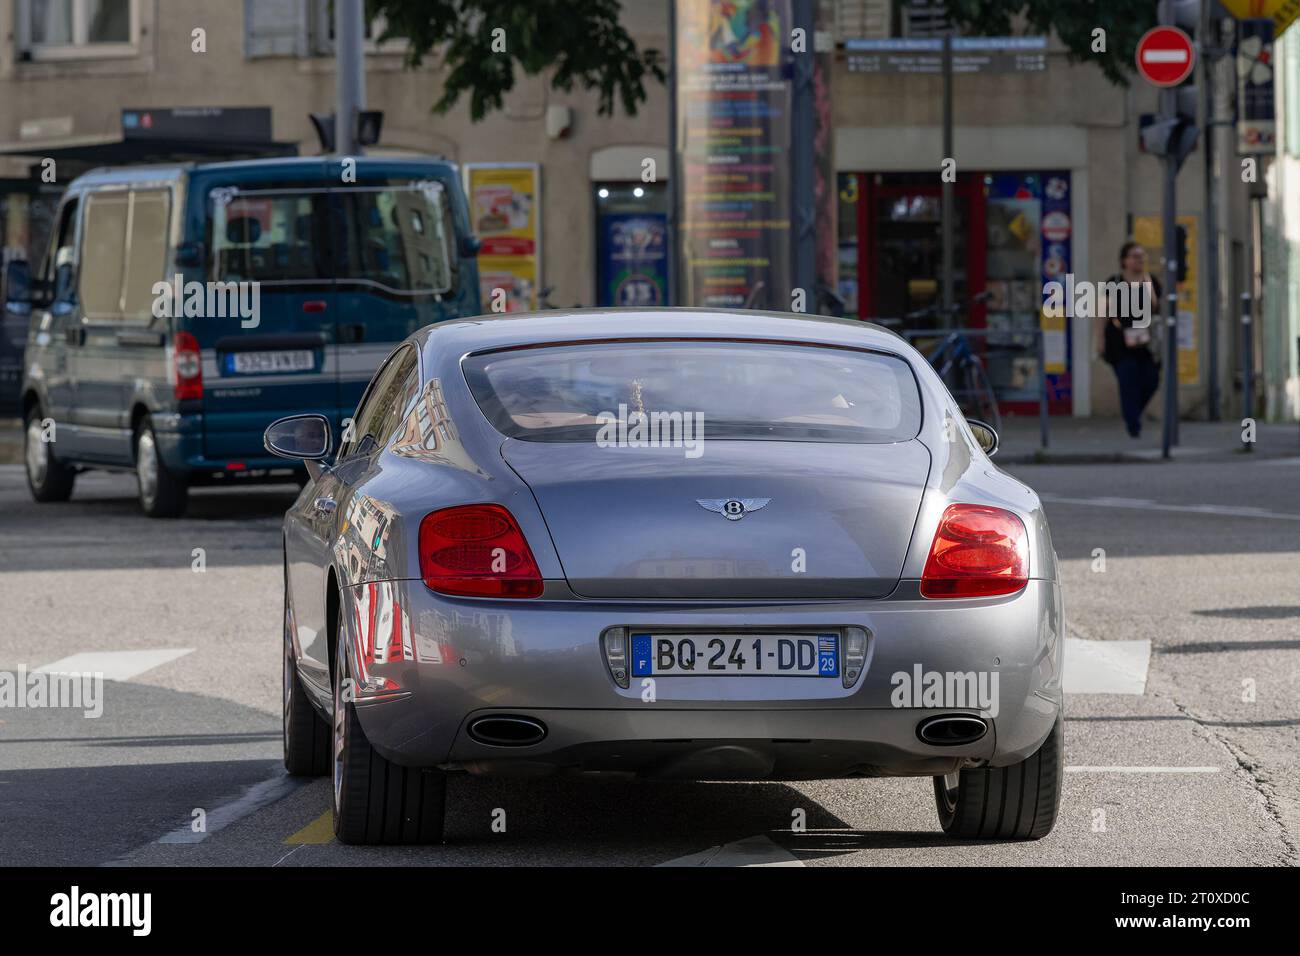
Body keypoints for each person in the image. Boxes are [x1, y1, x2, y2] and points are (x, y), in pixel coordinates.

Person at [1097, 241, 1163, 438]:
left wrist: (1146, 282)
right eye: (1135, 256)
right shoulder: (1114, 282)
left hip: (1145, 341)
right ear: (1124, 260)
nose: (1139, 260)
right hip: (1119, 339)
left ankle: (1133, 413)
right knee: (1128, 379)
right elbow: (1103, 312)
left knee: (1151, 379)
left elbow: (1156, 308)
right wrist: (1099, 337)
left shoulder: (1151, 281)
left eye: (1142, 256)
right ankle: (1133, 425)